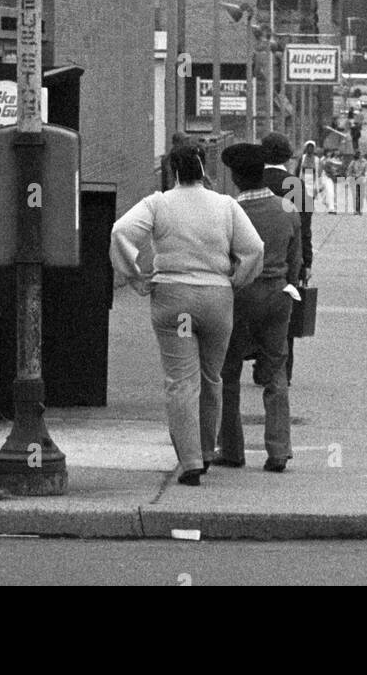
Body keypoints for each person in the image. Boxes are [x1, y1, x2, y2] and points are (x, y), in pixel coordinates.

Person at [110, 142, 264, 487]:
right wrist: (236, 281)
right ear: (204, 169)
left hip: (175, 302)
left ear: (172, 171)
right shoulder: (226, 206)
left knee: (181, 381)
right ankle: (208, 451)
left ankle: (190, 459)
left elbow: (121, 231)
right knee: (212, 378)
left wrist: (135, 275)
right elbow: (254, 249)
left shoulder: (158, 203)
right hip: (216, 300)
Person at [213, 143, 303, 473]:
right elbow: (297, 261)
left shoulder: (229, 212)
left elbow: (220, 258)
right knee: (275, 370)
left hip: (239, 297)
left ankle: (232, 449)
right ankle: (279, 450)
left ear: (236, 177)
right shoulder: (287, 209)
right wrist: (288, 284)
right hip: (278, 296)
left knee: (229, 372)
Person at [260, 133, 312, 386]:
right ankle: (282, 370)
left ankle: (259, 362)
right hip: (288, 258)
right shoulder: (296, 185)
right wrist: (306, 261)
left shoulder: (254, 180)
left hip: (255, 256)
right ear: (288, 157)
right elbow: (304, 226)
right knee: (285, 317)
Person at [347, 150, 367, 215]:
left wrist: (366, 177)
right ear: (358, 155)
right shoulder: (353, 162)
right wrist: (352, 176)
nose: (362, 156)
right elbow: (349, 171)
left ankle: (361, 209)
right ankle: (356, 209)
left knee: (362, 195)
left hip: (362, 180)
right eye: (360, 155)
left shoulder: (365, 162)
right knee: (355, 195)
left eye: (362, 155)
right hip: (354, 180)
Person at [321, 148, 342, 213]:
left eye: (330, 152)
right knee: (328, 191)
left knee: (332, 192)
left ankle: (332, 206)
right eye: (328, 152)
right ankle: (328, 204)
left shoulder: (335, 160)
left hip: (333, 177)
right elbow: (322, 168)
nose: (329, 154)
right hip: (325, 176)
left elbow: (339, 168)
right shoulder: (322, 159)